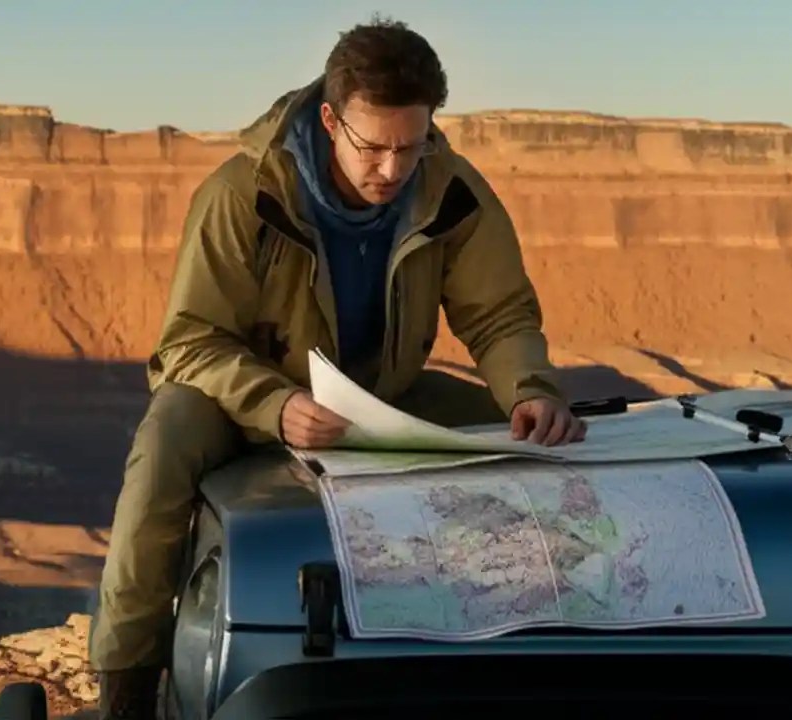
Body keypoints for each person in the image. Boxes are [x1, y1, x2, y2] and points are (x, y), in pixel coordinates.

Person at [88, 15, 586, 719]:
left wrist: (531, 391)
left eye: (410, 147)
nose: (391, 169)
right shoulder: (244, 193)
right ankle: (128, 681)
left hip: (376, 398)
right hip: (241, 400)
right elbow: (190, 342)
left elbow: (499, 315)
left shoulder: (450, 189)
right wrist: (275, 405)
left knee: (522, 441)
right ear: (330, 118)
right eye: (373, 147)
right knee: (164, 440)